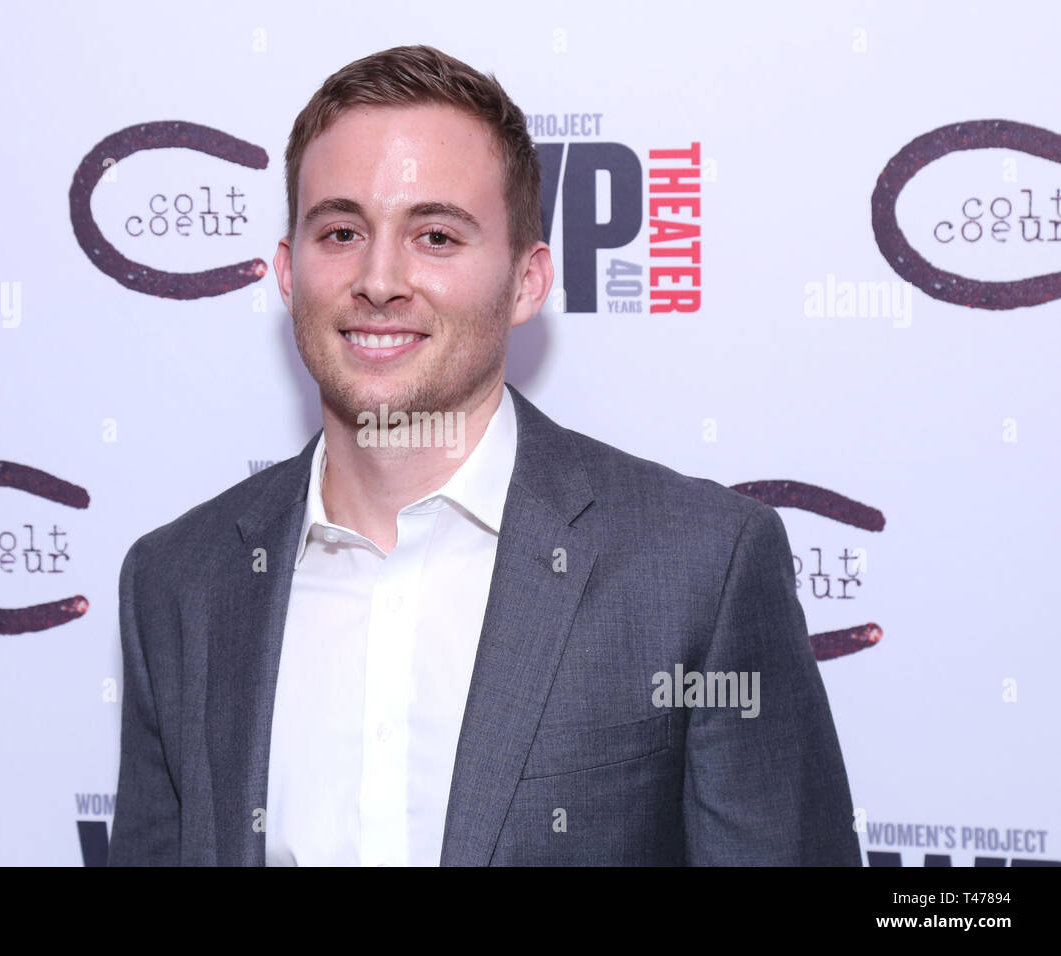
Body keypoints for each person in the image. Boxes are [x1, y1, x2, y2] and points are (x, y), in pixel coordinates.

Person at [107, 44, 860, 866]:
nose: (380, 278)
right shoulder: (178, 583)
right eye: (341, 231)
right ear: (289, 272)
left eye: (435, 235)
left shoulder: (698, 567)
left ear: (528, 280)